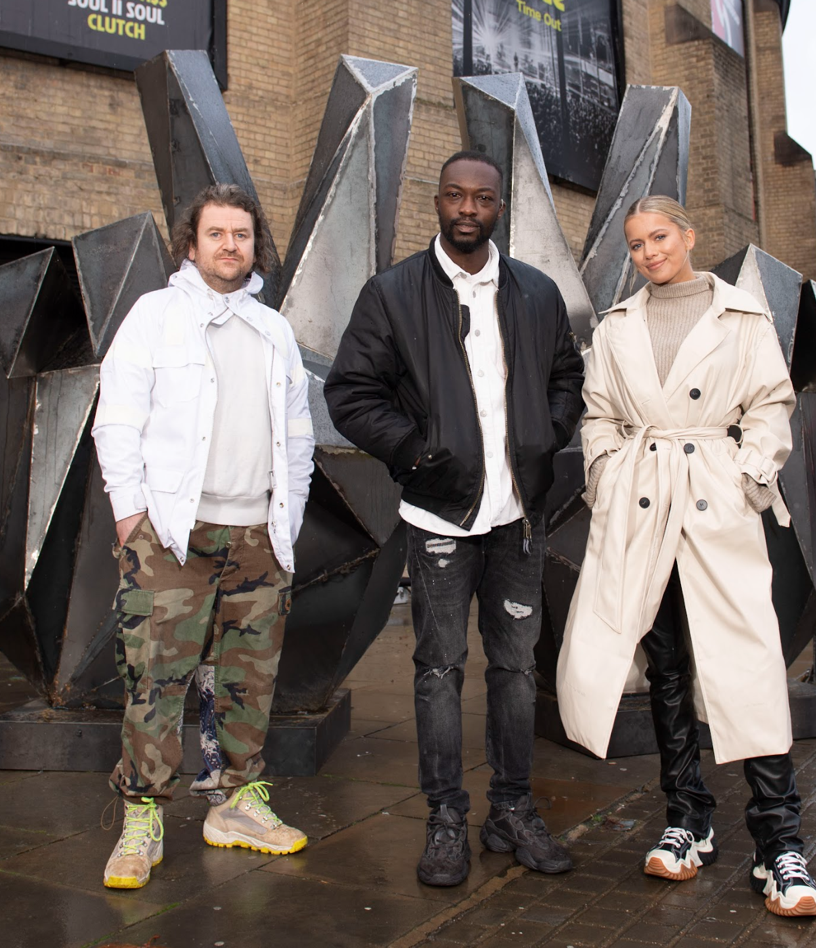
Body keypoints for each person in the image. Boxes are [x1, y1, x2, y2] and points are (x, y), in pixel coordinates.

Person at [556, 196, 816, 918]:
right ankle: (688, 818)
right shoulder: (617, 326)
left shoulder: (741, 315)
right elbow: (599, 413)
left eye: (660, 237)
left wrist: (749, 473)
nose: (649, 253)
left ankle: (779, 843)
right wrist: (609, 475)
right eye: (637, 243)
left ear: (689, 237)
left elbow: (771, 402)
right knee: (666, 665)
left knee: (748, 663)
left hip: (714, 498)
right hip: (643, 502)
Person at [324, 151, 585, 887]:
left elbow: (568, 377)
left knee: (515, 670)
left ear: (500, 207)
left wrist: (543, 436)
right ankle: (445, 817)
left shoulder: (535, 293)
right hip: (439, 515)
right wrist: (415, 452)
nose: (468, 208)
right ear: (436, 202)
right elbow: (350, 391)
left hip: (518, 519)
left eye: (483, 197)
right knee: (439, 670)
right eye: (454, 196)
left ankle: (511, 808)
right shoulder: (393, 293)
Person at [92, 183, 315, 890]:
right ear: (191, 243)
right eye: (216, 233)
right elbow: (117, 421)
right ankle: (141, 819)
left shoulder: (273, 330)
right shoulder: (155, 317)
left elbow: (300, 435)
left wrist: (289, 523)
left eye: (242, 235)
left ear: (256, 245)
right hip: (173, 538)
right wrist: (132, 518)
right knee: (155, 681)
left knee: (251, 683)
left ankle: (240, 808)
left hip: (258, 537)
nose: (230, 246)